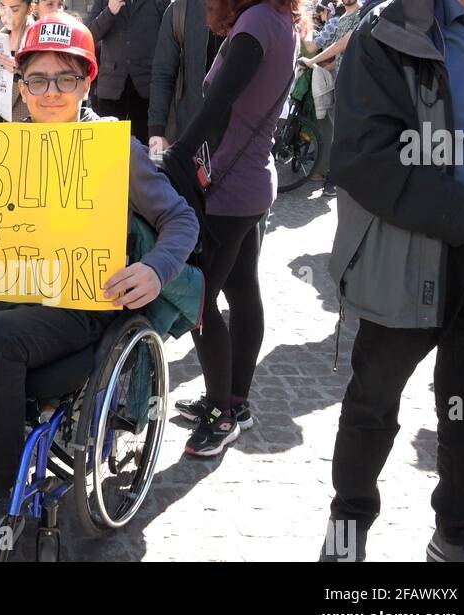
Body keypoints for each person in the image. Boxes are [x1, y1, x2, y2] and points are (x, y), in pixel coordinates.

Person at [0, 13, 199, 562]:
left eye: (66, 79)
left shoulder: (113, 148)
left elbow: (182, 221)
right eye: (38, 79)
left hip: (77, 302)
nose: (51, 92)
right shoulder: (1, 146)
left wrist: (153, 270)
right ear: (19, 83)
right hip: (6, 287)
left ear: (87, 83)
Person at [322, 0, 464, 563]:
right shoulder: (389, 29)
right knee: (372, 405)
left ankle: (458, 539)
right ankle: (344, 545)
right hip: (408, 253)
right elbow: (366, 157)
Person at [169, 0, 302, 457]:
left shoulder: (257, 22)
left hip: (230, 189)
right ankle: (235, 402)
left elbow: (221, 103)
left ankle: (219, 414)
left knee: (200, 299)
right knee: (243, 291)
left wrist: (177, 156)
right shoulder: (279, 19)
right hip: (252, 182)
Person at [299, 0, 361, 197]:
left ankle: (335, 180)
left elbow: (342, 45)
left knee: (343, 133)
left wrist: (313, 61)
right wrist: (323, 69)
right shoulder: (342, 18)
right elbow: (340, 56)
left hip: (355, 82)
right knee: (339, 132)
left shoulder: (361, 15)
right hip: (341, 82)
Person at [86, 0, 169, 145]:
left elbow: (169, 33)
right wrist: (110, 12)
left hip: (146, 88)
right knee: (107, 147)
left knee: (145, 151)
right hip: (111, 88)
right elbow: (88, 34)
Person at [148, 0, 225, 156]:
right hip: (188, 135)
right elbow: (163, 74)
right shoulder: (179, 11)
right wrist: (157, 130)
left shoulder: (246, 11)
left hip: (235, 143)